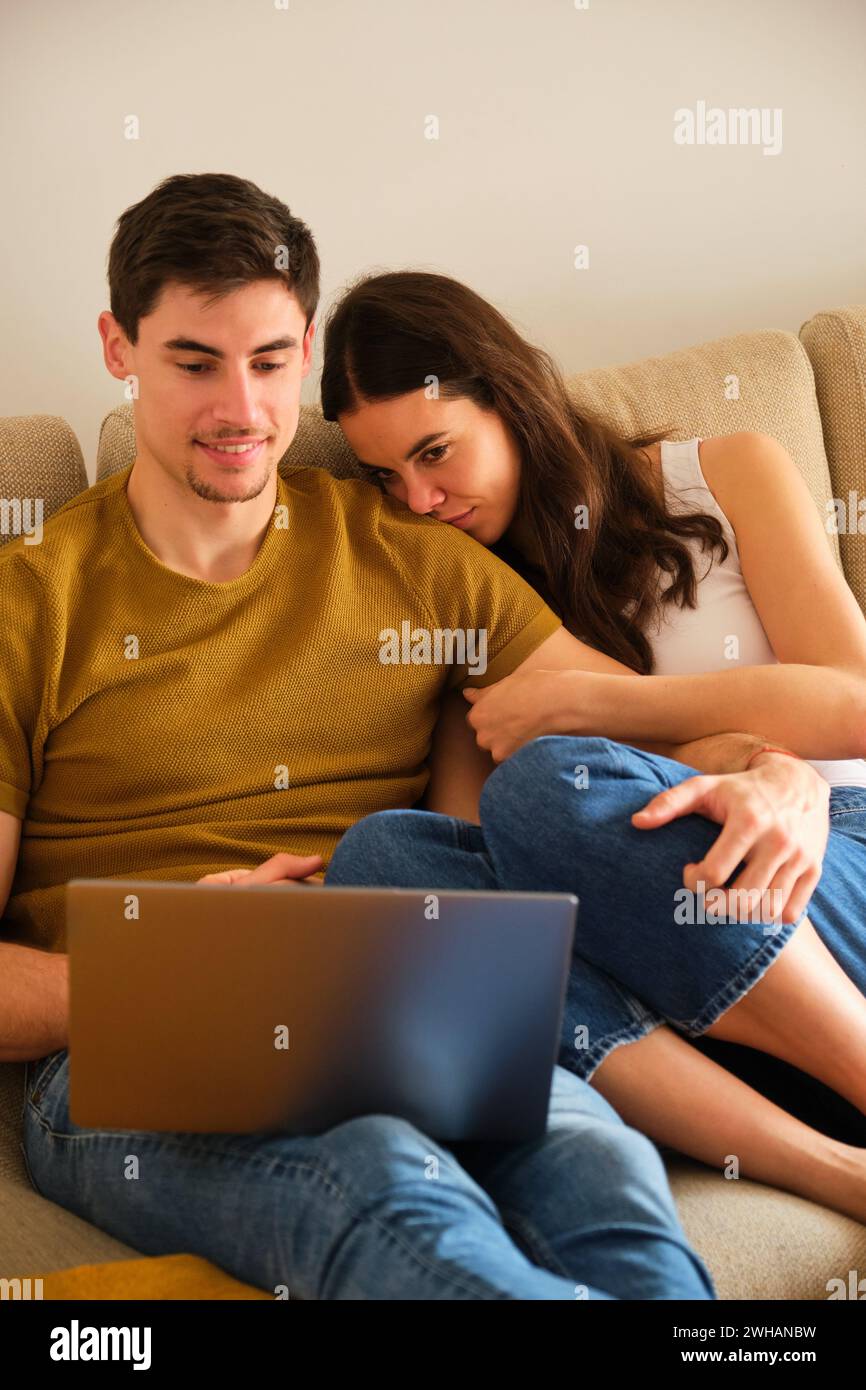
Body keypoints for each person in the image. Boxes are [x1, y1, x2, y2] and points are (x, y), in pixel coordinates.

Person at [0, 172, 719, 1300]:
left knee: (603, 1168)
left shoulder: (411, 557)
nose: (241, 407)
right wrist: (169, 962)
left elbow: (650, 734)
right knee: (381, 1177)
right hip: (133, 1046)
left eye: (272, 360)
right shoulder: (26, 604)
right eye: (194, 362)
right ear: (117, 346)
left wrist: (771, 770)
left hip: (407, 1004)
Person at [312, 268, 866, 1223]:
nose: (421, 500)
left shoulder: (727, 468)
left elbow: (854, 703)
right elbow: (470, 891)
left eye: (436, 452)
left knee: (537, 782)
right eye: (386, 479)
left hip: (823, 865)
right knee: (386, 859)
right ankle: (833, 1168)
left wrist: (590, 706)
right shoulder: (473, 615)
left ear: (508, 392)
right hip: (678, 999)